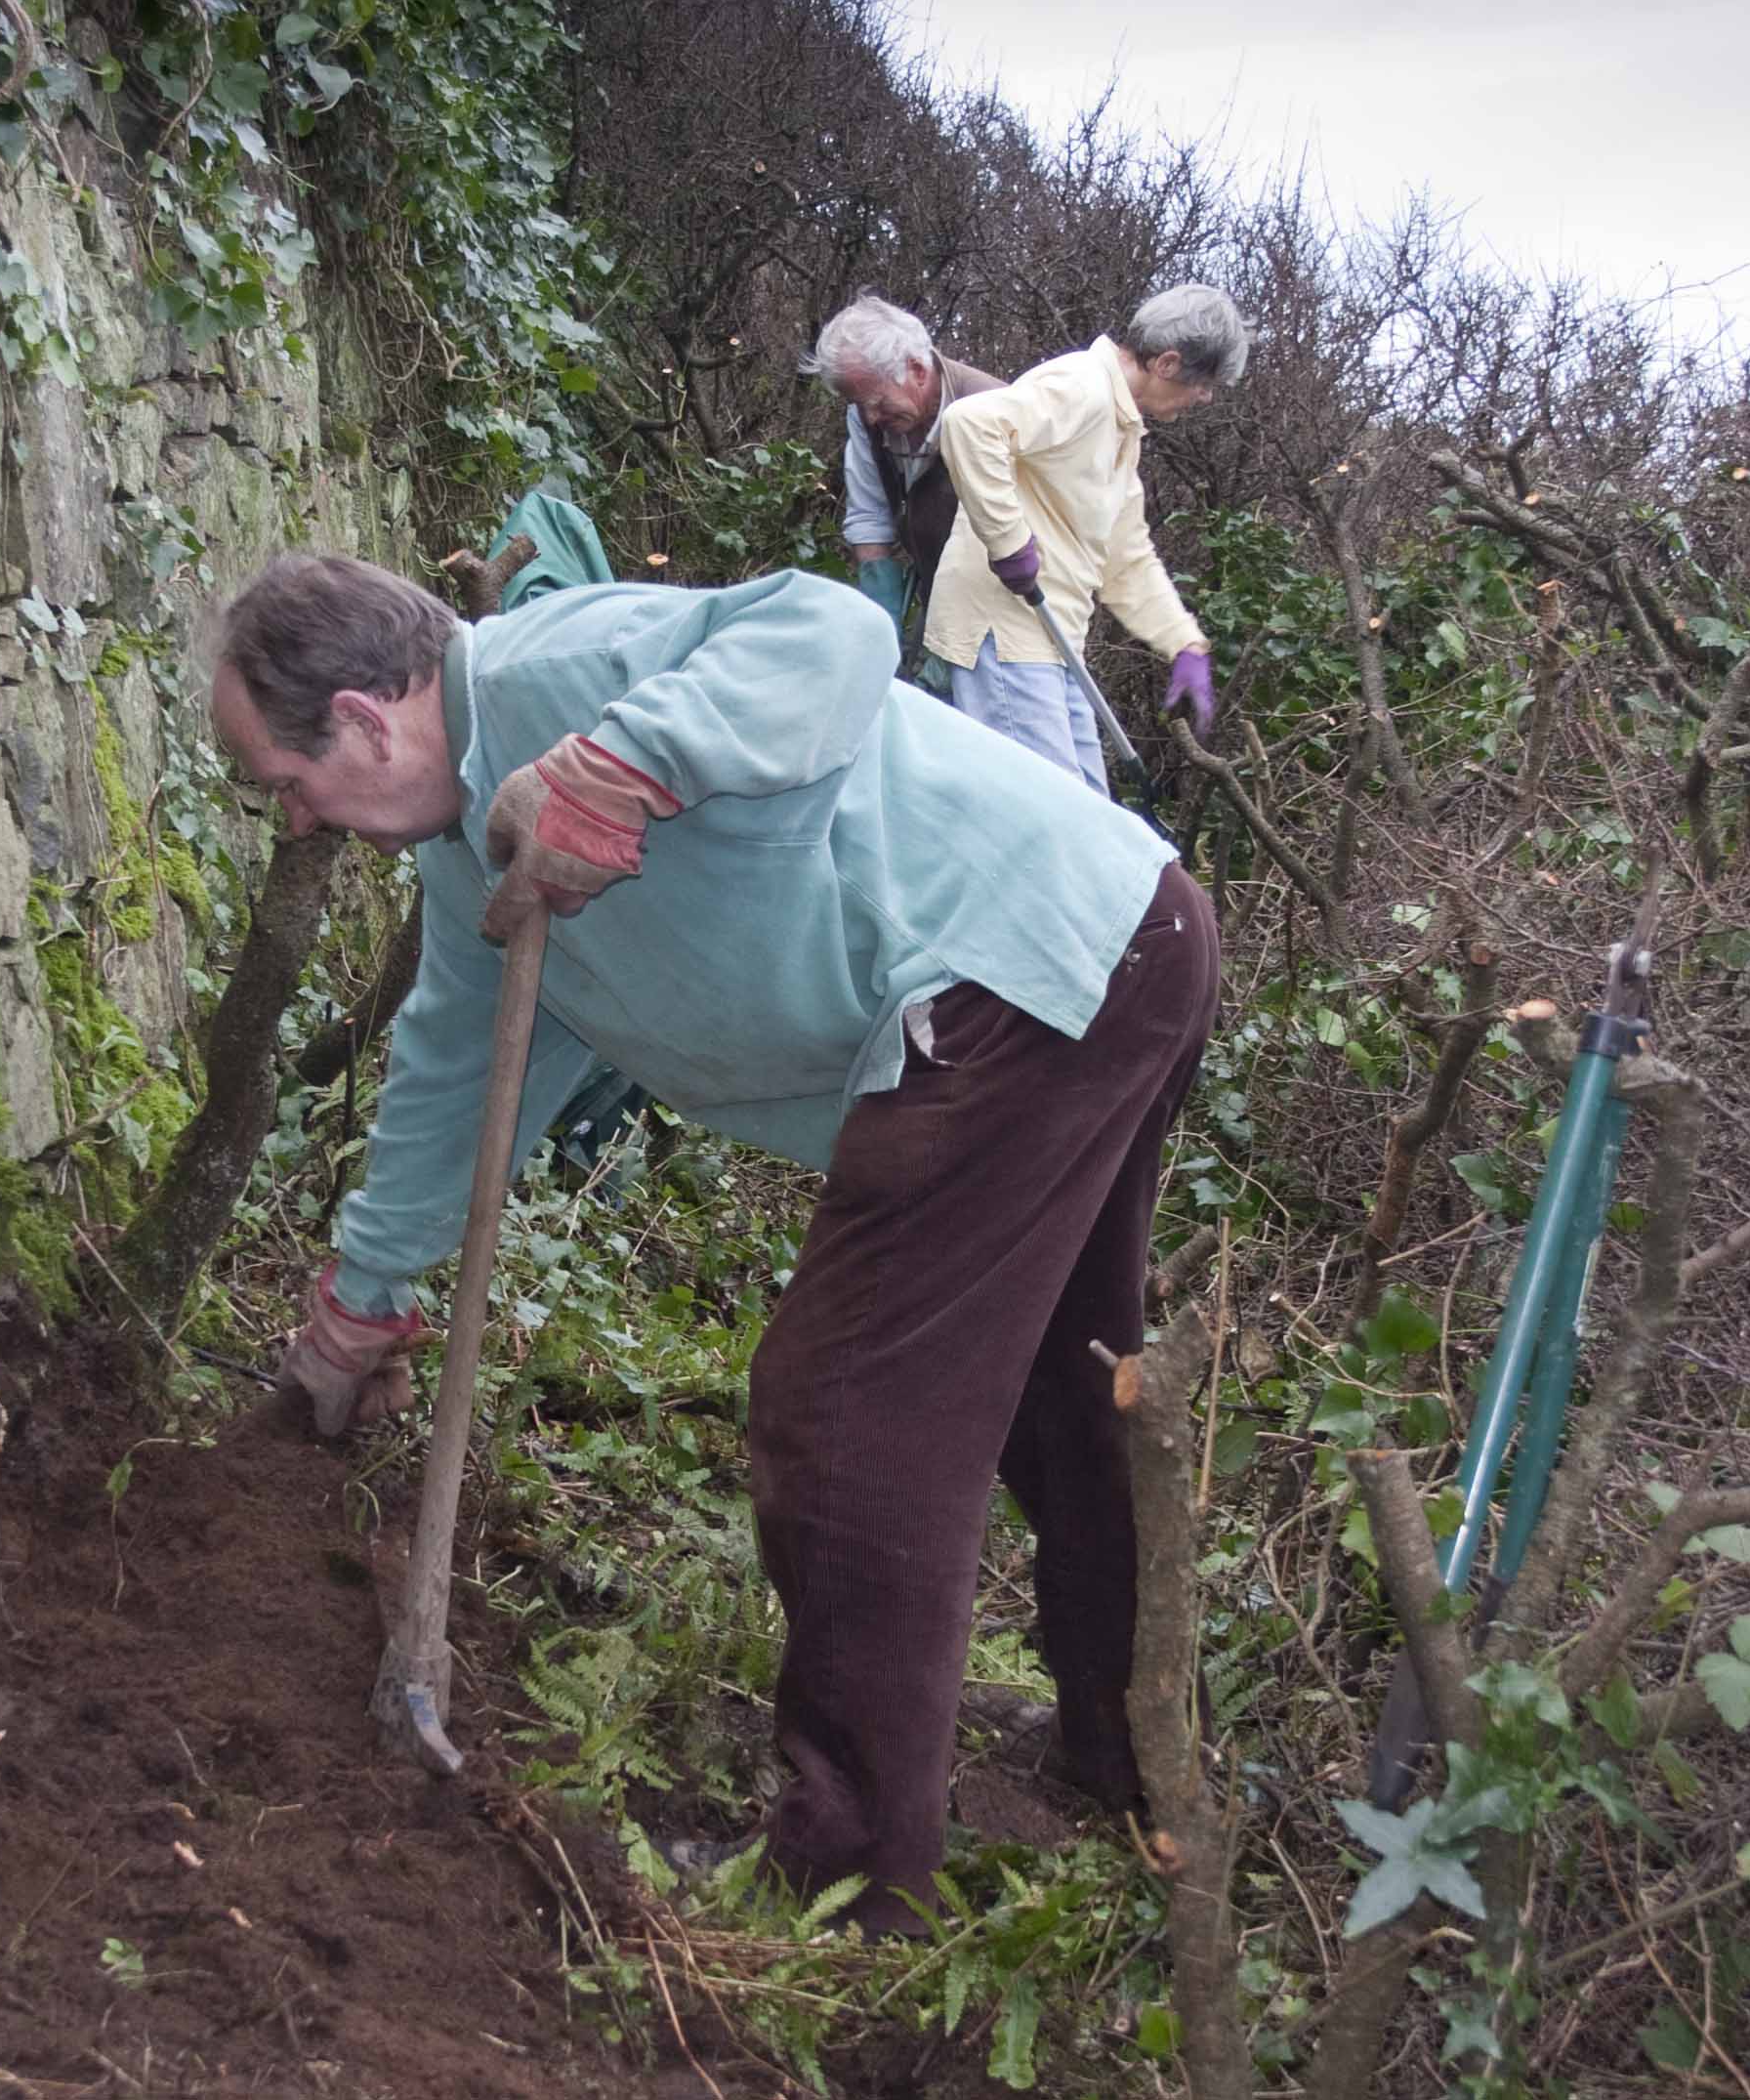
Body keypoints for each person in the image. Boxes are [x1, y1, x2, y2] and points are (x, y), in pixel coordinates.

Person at [210, 547, 1220, 1935]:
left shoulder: (554, 671)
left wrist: (623, 766)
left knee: (844, 1407)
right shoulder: (462, 852)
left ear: (364, 722)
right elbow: (451, 1065)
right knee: (1061, 1391)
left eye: (285, 781)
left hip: (1021, 965)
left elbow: (830, 634)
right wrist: (363, 1297)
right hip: (1099, 948)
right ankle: (1139, 1758)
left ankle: (852, 1880)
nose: (296, 820)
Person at [924, 282, 1249, 792]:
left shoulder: (1120, 428)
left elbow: (1125, 556)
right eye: (1205, 383)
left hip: (1054, 638)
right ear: (1167, 363)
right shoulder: (1082, 387)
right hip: (1005, 630)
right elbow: (969, 424)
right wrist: (1007, 543)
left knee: (1090, 809)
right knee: (1047, 813)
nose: (1205, 397)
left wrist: (1182, 641)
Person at [802, 294, 1001, 658]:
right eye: (858, 404)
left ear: (918, 370)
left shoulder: (993, 410)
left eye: (878, 402)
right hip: (936, 593)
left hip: (1004, 613)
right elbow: (869, 516)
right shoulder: (868, 416)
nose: (870, 418)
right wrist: (881, 625)